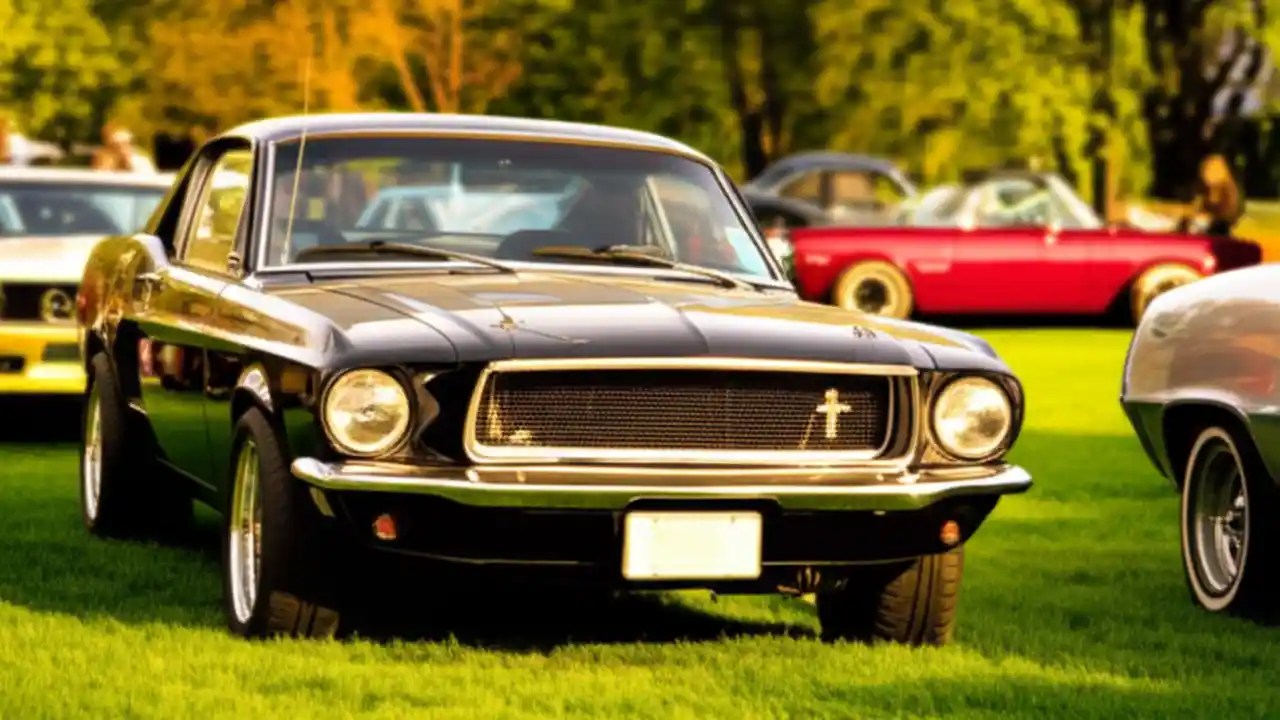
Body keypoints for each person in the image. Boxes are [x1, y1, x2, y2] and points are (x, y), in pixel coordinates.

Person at [1184, 152, 1243, 237]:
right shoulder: (1202, 190)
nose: (1206, 173)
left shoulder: (1229, 192)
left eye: (1212, 169)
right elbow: (1195, 208)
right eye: (1205, 169)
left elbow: (1229, 216)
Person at [90, 123, 157, 173]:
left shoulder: (142, 163)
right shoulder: (104, 162)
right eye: (116, 146)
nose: (122, 149)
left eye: (125, 144)